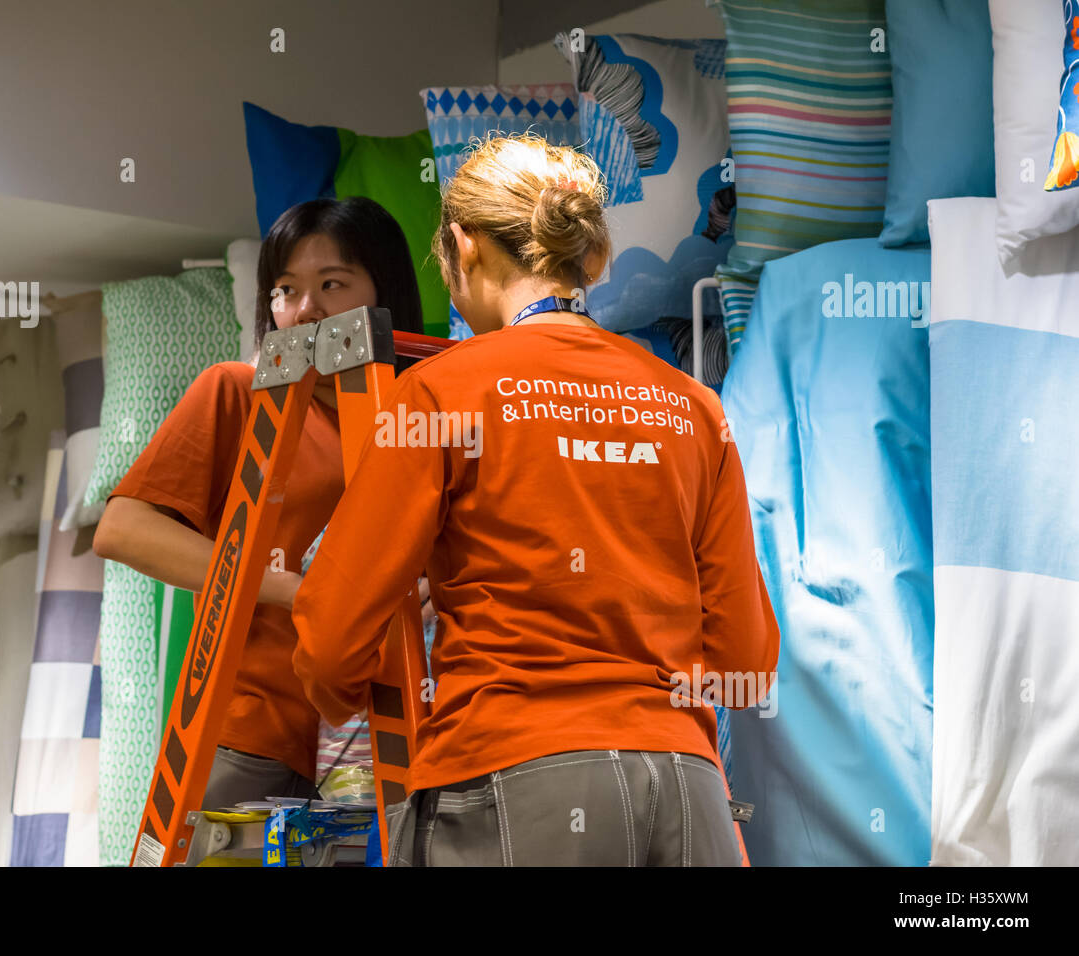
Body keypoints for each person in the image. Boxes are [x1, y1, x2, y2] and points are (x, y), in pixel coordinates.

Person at [290, 132, 780, 866]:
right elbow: (748, 660)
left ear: (465, 243)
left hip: (513, 777)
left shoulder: (442, 391)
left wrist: (331, 698)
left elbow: (332, 636)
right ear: (586, 252)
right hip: (687, 791)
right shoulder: (694, 408)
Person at [93, 196, 424, 809]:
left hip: (395, 739)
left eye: (331, 283)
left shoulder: (419, 416)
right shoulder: (241, 393)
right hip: (255, 732)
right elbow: (122, 530)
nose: (305, 310)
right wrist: (291, 590)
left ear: (385, 295)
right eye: (284, 289)